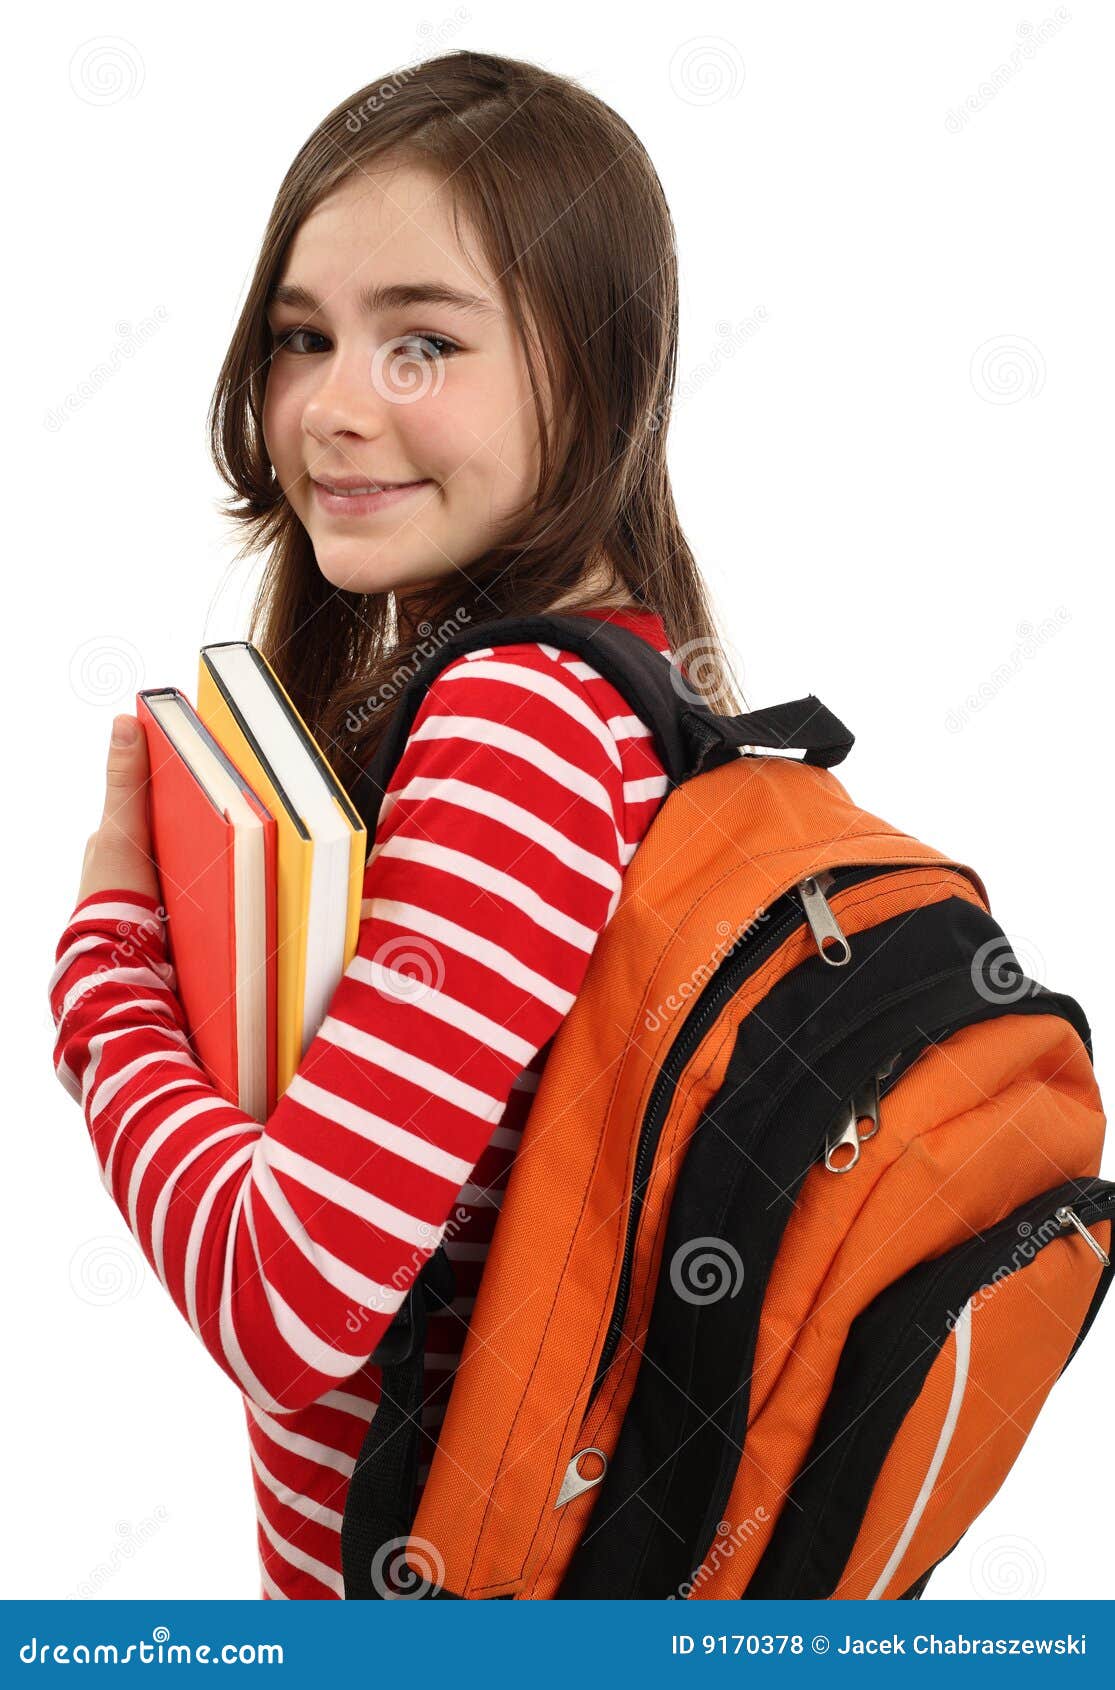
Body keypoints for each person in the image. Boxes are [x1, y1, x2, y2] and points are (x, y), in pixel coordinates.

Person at [48, 50, 744, 1600]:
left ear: (600, 371)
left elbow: (285, 1304)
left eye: (423, 341)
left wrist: (107, 967)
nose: (333, 408)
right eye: (304, 338)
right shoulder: (605, 676)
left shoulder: (519, 729)